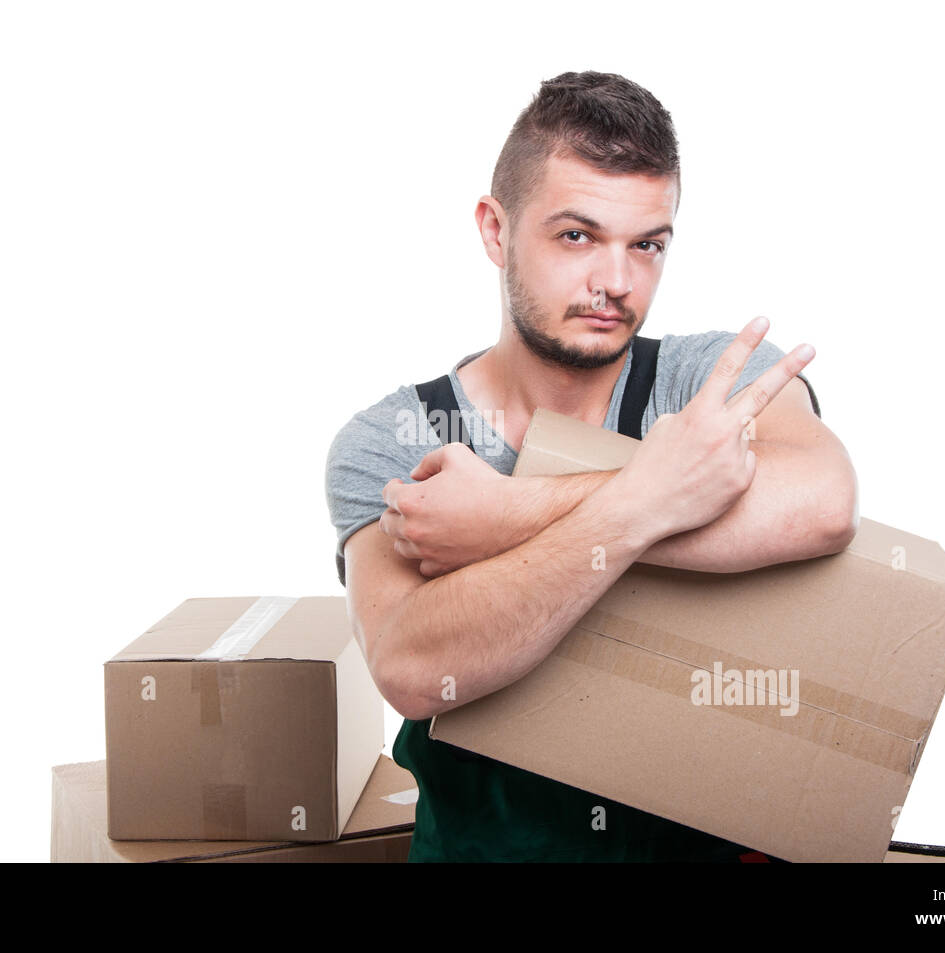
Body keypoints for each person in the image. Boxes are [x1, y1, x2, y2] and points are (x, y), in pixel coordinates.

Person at [324, 70, 858, 862]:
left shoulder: (701, 376)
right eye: (577, 236)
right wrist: (667, 492)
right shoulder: (398, 439)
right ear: (496, 231)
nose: (617, 281)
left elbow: (823, 503)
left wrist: (507, 515)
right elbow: (411, 665)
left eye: (647, 245)